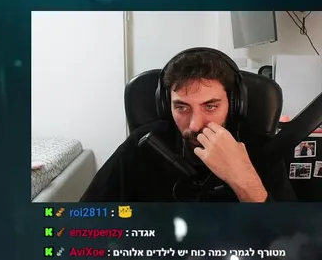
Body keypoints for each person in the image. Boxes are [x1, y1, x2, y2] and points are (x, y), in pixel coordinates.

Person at [81, 48, 294, 203]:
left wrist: (243, 177)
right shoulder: (143, 144)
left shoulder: (261, 150)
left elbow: (290, 240)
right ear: (166, 105)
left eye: (210, 106)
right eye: (182, 107)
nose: (194, 124)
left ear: (234, 104)